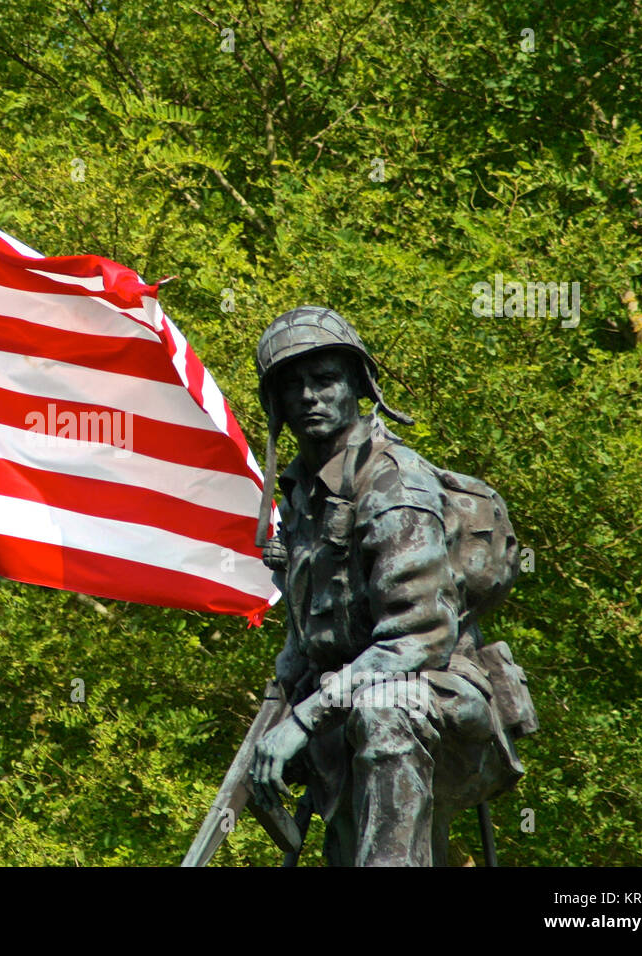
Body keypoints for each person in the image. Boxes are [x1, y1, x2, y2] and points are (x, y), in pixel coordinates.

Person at [247, 305, 530, 866]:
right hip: (346, 700)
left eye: (324, 379)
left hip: (436, 693)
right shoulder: (303, 492)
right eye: (292, 386)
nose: (308, 396)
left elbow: (417, 637)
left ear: (358, 386)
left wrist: (305, 719)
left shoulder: (393, 485)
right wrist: (282, 709)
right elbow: (309, 634)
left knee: (384, 708)